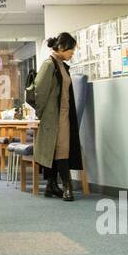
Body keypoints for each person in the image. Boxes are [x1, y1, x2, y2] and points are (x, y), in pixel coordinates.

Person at [33, 33, 82, 201]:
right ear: (61, 48)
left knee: (55, 149)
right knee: (61, 149)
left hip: (64, 114)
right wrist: (41, 113)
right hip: (54, 116)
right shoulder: (50, 65)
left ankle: (51, 185)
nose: (72, 54)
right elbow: (39, 90)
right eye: (71, 50)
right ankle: (67, 186)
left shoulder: (61, 64)